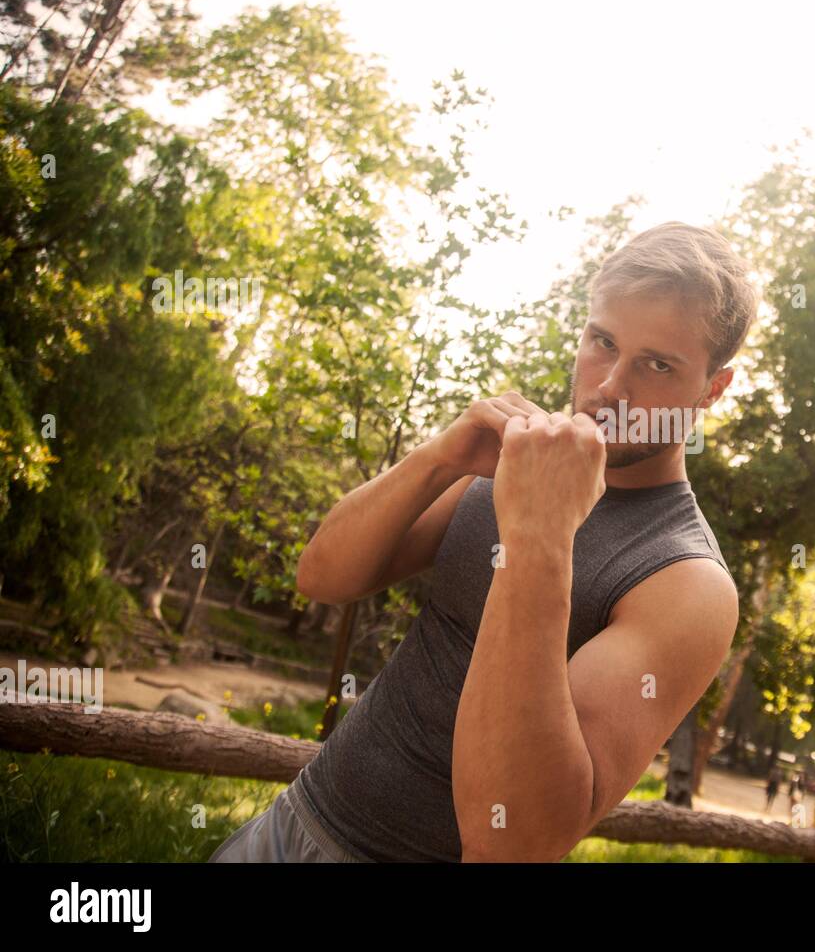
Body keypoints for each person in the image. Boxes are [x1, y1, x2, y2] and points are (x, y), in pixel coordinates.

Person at [209, 222, 759, 862]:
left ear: (712, 390)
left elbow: (512, 842)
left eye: (657, 364)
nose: (610, 386)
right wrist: (441, 458)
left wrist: (540, 534)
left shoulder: (685, 581)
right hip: (292, 822)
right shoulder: (512, 460)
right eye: (602, 341)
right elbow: (323, 578)